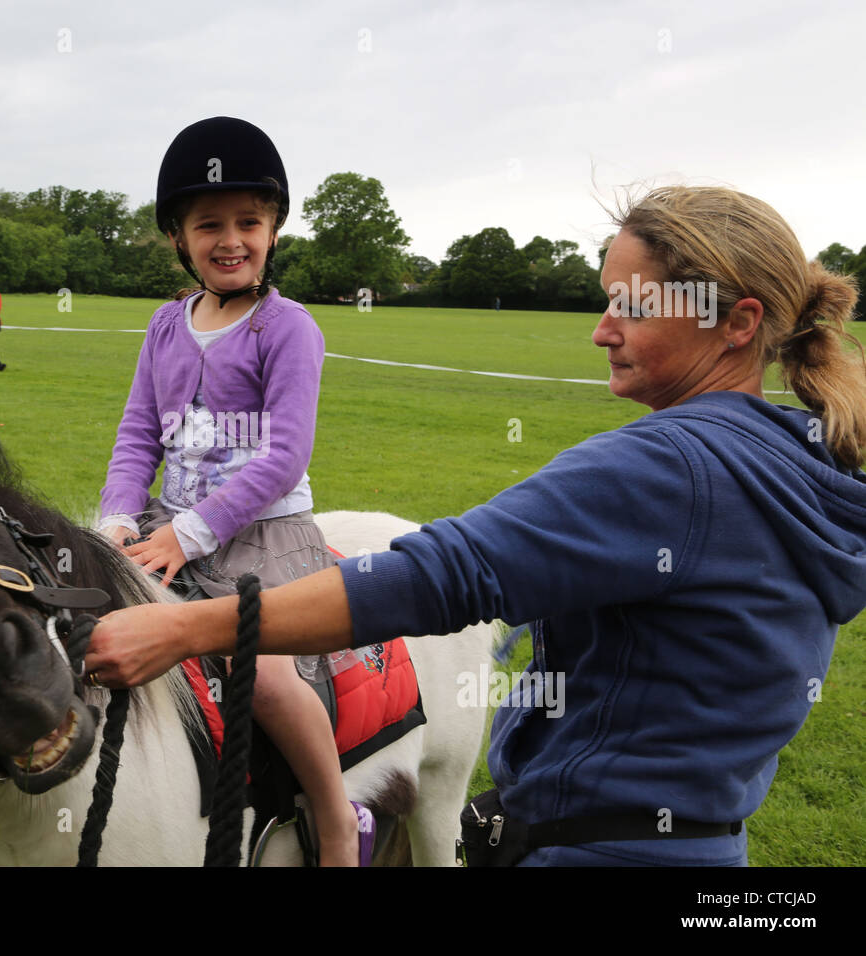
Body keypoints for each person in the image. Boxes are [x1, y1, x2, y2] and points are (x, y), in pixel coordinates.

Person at [86, 185, 866, 866]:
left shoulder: (670, 468)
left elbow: (445, 573)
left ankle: (329, 823)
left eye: (631, 305)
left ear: (738, 324)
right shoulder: (797, 460)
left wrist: (191, 630)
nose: (601, 329)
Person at [96, 116, 368, 866]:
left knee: (269, 677)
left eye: (249, 222)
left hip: (261, 535)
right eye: (208, 224)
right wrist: (120, 519)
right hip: (165, 522)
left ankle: (337, 821)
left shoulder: (289, 328)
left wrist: (189, 536)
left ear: (274, 229)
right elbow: (136, 437)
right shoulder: (163, 326)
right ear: (179, 239)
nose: (230, 239)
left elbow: (283, 457)